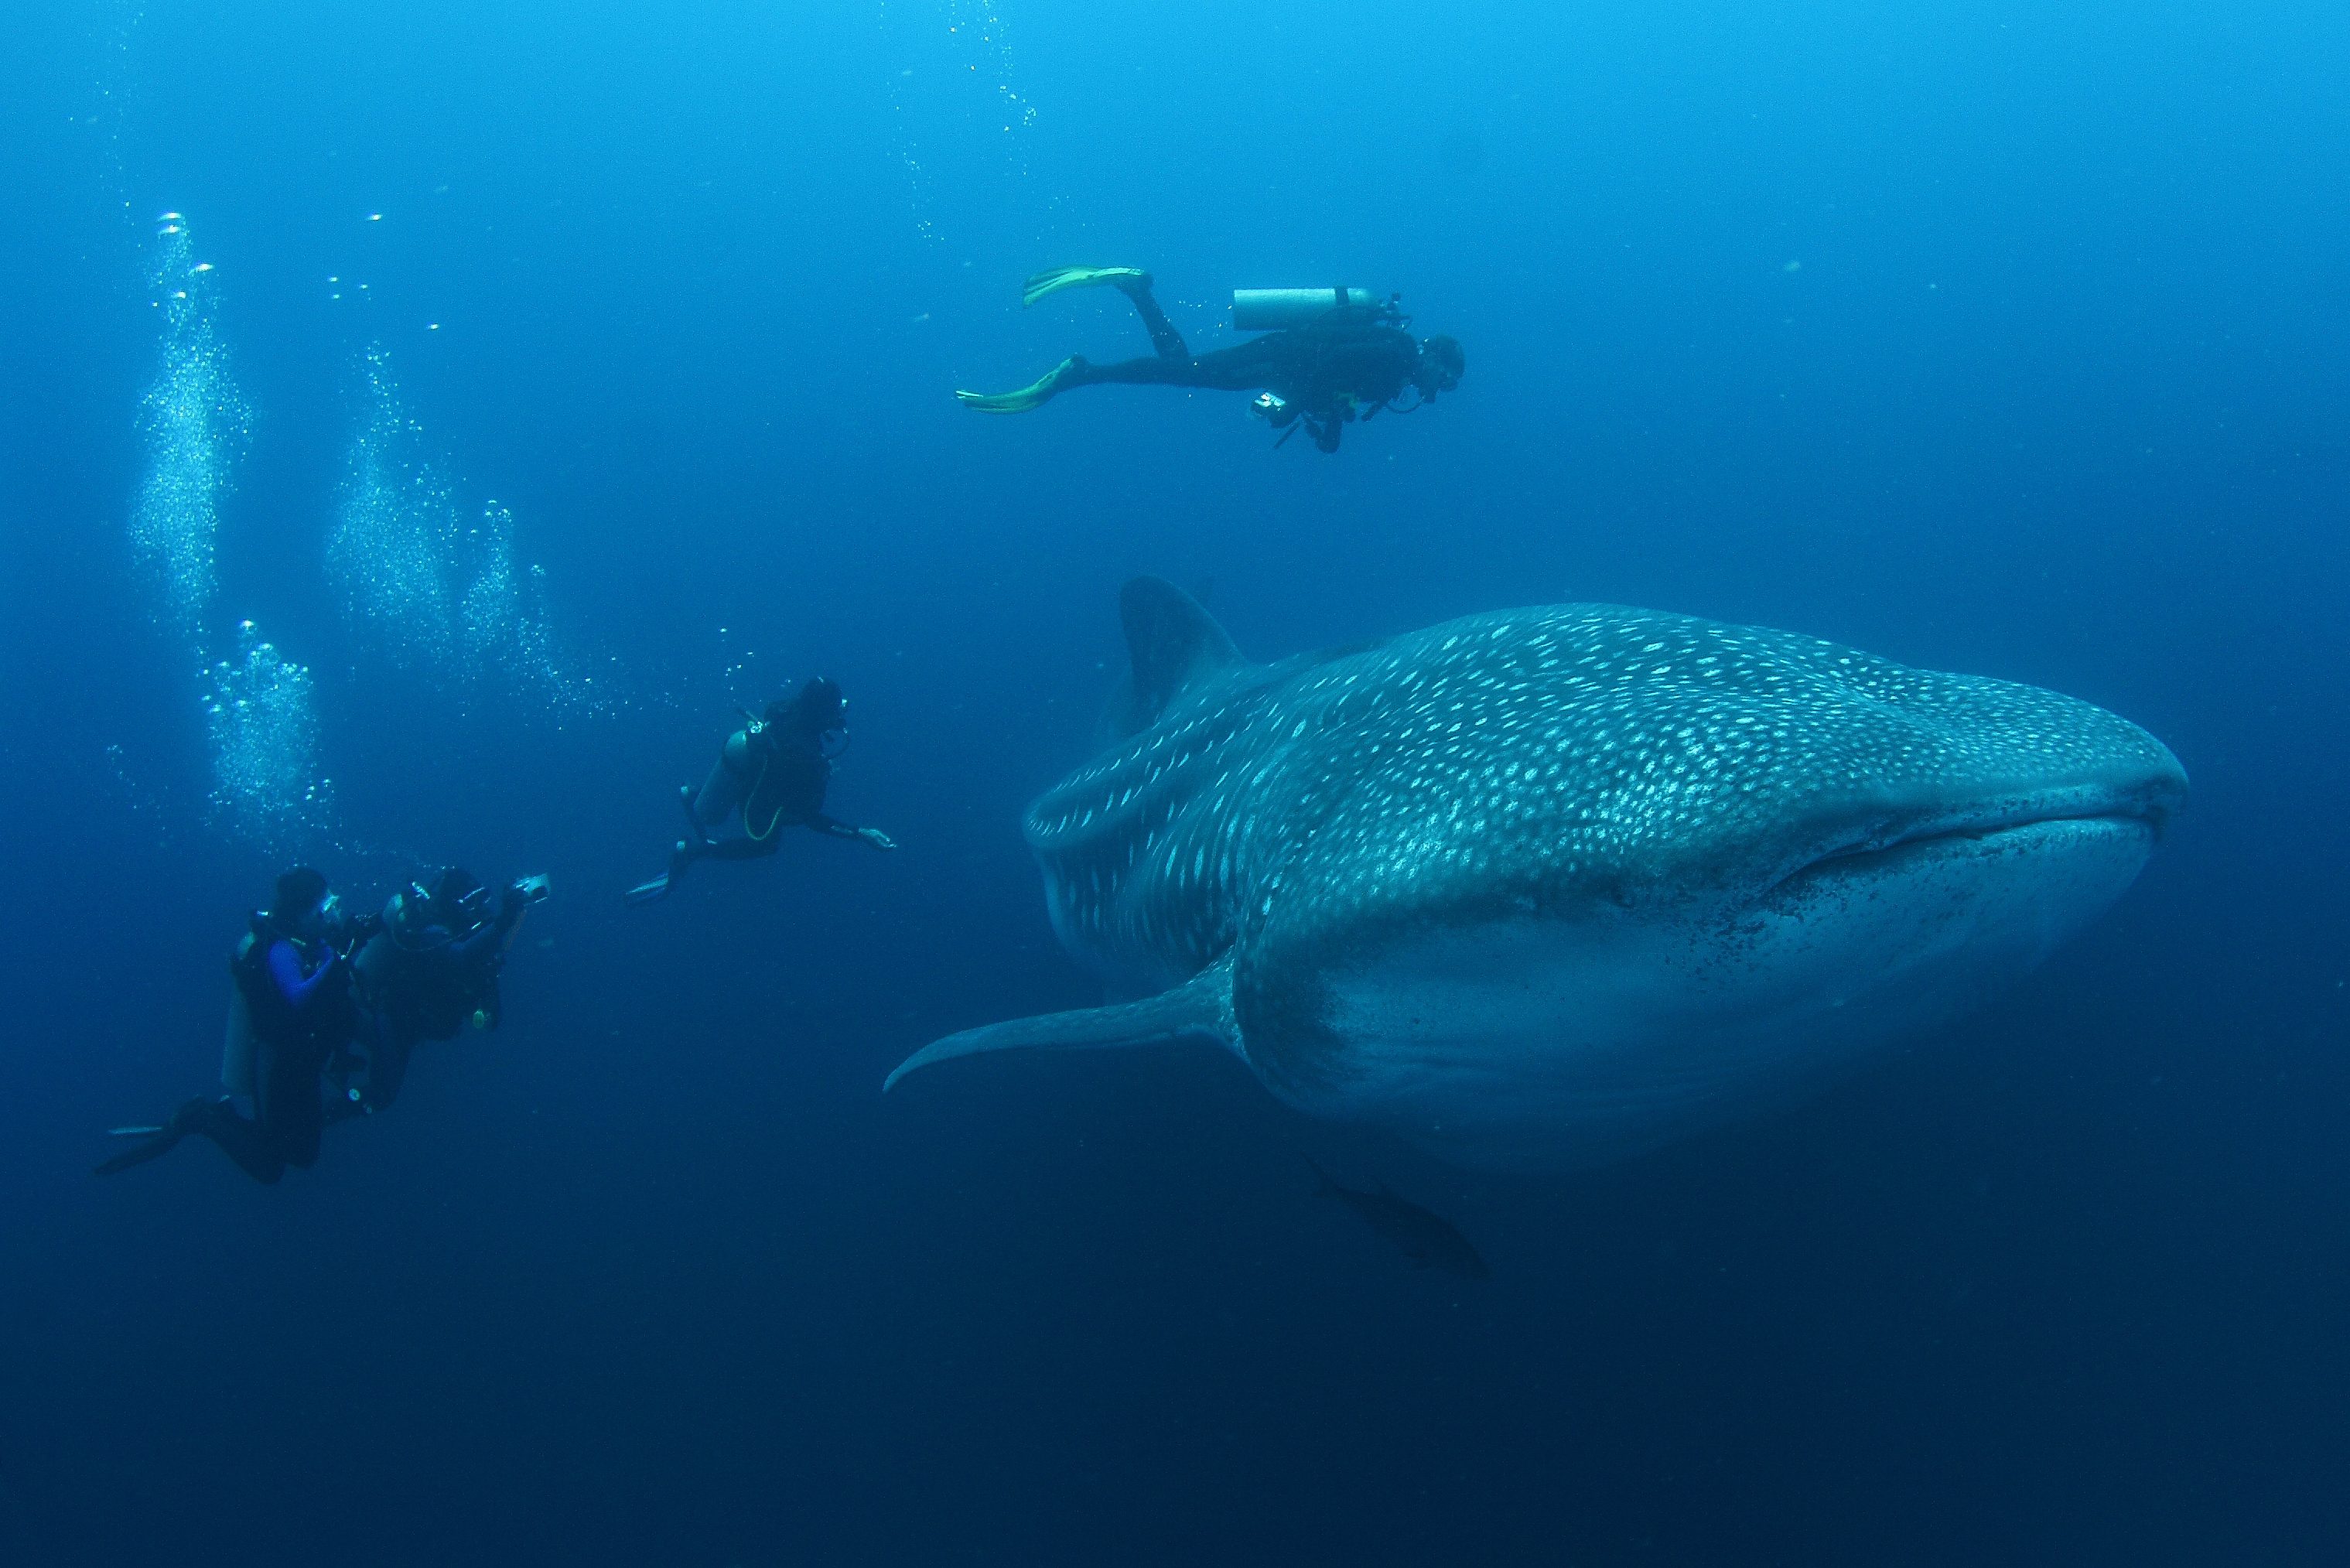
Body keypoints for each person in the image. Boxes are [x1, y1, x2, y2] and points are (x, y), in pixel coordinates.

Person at [955, 267, 1466, 453]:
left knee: (1186, 371)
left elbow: (1335, 388)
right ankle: (1083, 371)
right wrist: (1293, 406)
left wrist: (1325, 425)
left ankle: (1137, 293)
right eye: (1444, 378)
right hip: (1280, 358)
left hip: (1280, 367)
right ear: (1435, 356)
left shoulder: (1394, 369)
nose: (1437, 389)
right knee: (1183, 373)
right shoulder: (1396, 352)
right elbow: (1331, 366)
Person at [97, 867, 364, 1184]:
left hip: (303, 1061)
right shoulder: (281, 951)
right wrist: (333, 965)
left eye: (333, 905)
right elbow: (297, 997)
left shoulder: (310, 941)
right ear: (301, 913)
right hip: (278, 1063)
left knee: (302, 1154)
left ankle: (228, 1119)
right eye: (324, 909)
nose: (331, 915)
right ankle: (205, 1119)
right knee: (271, 1167)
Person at [624, 676, 897, 906]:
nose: (840, 714)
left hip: (747, 768)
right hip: (762, 797)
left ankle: (693, 795)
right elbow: (811, 818)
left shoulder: (787, 710)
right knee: (766, 845)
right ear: (821, 713)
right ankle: (694, 852)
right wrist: (859, 833)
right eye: (835, 710)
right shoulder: (805, 757)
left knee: (719, 805)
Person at [342, 867, 546, 1115]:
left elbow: (491, 1017)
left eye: (481, 899)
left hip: (412, 1028)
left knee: (382, 1095)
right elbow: (457, 957)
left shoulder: (472, 937)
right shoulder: (429, 930)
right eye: (470, 902)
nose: (478, 909)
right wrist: (502, 924)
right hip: (390, 1019)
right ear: (453, 903)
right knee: (381, 1095)